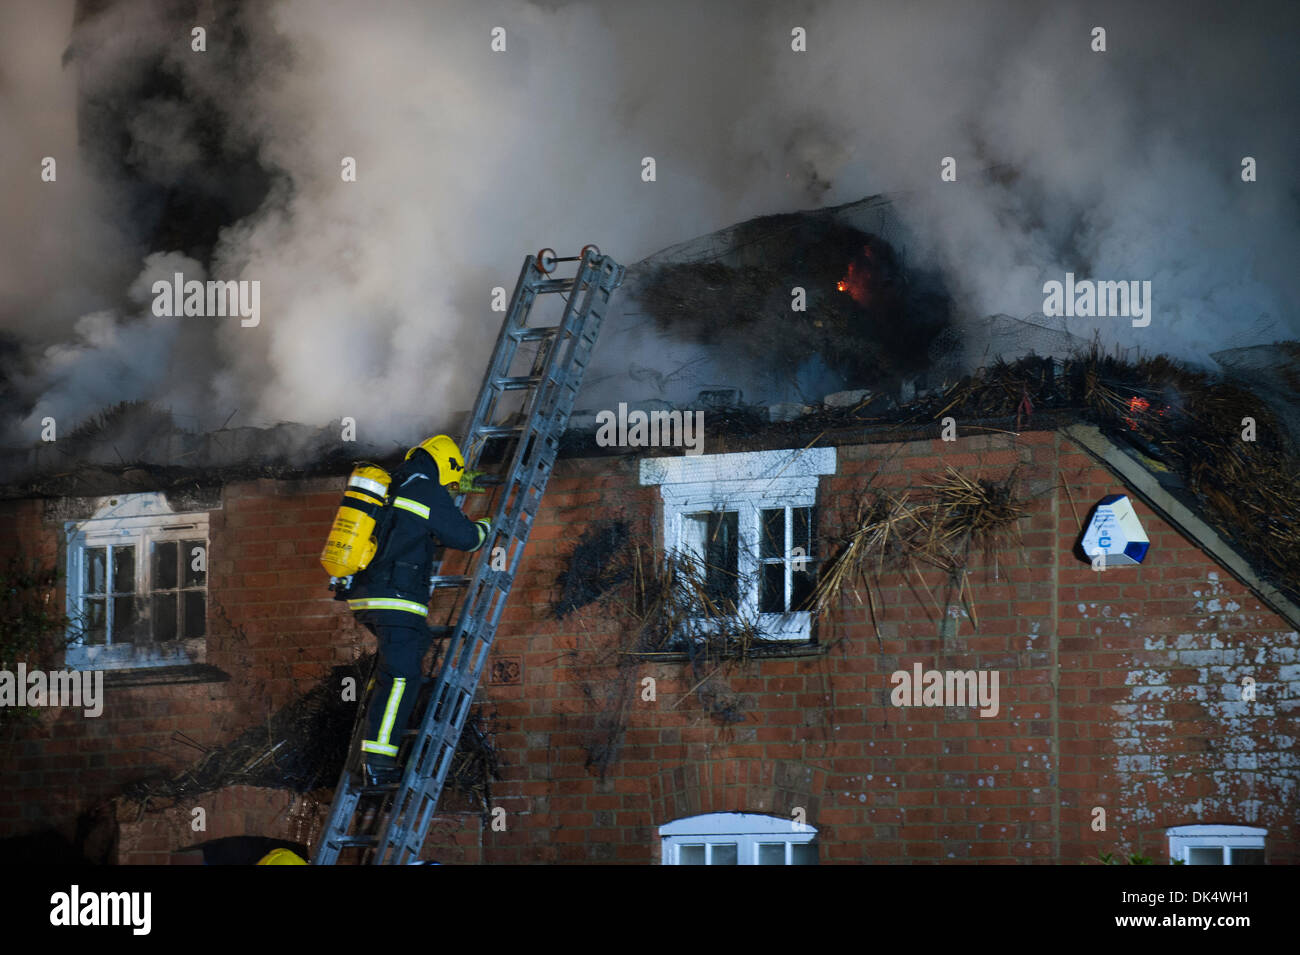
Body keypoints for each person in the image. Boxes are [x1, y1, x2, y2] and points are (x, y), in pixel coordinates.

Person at [336, 434, 489, 785]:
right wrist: (487, 527)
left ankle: (373, 750)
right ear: (446, 465)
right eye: (451, 480)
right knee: (403, 676)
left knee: (411, 649)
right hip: (397, 597)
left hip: (367, 596)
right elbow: (466, 539)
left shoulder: (393, 482)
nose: (450, 487)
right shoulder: (426, 489)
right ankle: (377, 763)